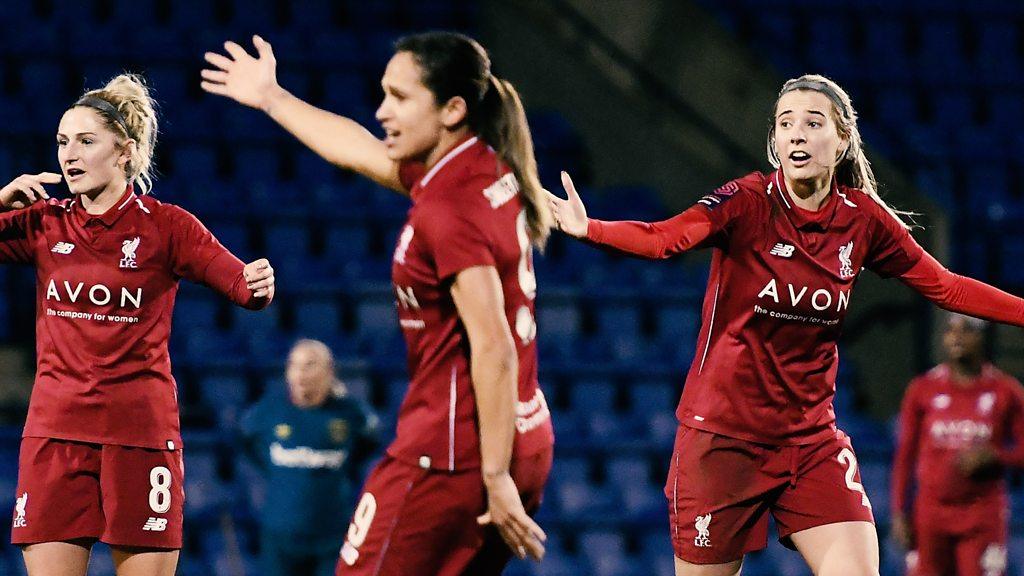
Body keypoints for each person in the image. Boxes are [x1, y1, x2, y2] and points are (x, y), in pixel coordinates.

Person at [547, 74, 1024, 576]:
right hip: (721, 443)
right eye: (784, 123)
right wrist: (591, 228)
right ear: (774, 141)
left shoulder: (862, 219)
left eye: (812, 123)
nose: (796, 133)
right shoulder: (747, 201)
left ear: (841, 141)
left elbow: (946, 286)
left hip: (810, 442)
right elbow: (667, 238)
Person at [201, 31, 555, 574]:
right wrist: (273, 97)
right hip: (521, 436)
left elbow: (494, 348)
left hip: (451, 455)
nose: (382, 110)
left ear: (453, 108)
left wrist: (493, 476)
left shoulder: (448, 209)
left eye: (400, 96)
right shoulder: (482, 168)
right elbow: (359, 150)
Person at [4, 74, 275, 576]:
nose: (70, 155)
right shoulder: (43, 223)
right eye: (63, 142)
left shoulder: (167, 226)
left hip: (138, 435)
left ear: (125, 151)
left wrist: (256, 283)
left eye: (86, 141)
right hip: (55, 433)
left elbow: (239, 285)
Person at [891, 314, 1024, 576]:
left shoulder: (1005, 390)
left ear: (982, 336)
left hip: (982, 514)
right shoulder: (923, 389)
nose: (957, 337)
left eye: (966, 330)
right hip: (931, 513)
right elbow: (905, 455)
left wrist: (995, 457)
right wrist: (899, 511)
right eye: (951, 330)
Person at [240, 339, 380, 576]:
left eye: (310, 365)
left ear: (329, 371)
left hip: (332, 538)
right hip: (279, 538)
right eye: (294, 365)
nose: (300, 374)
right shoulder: (268, 412)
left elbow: (368, 445)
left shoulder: (351, 414)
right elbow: (246, 443)